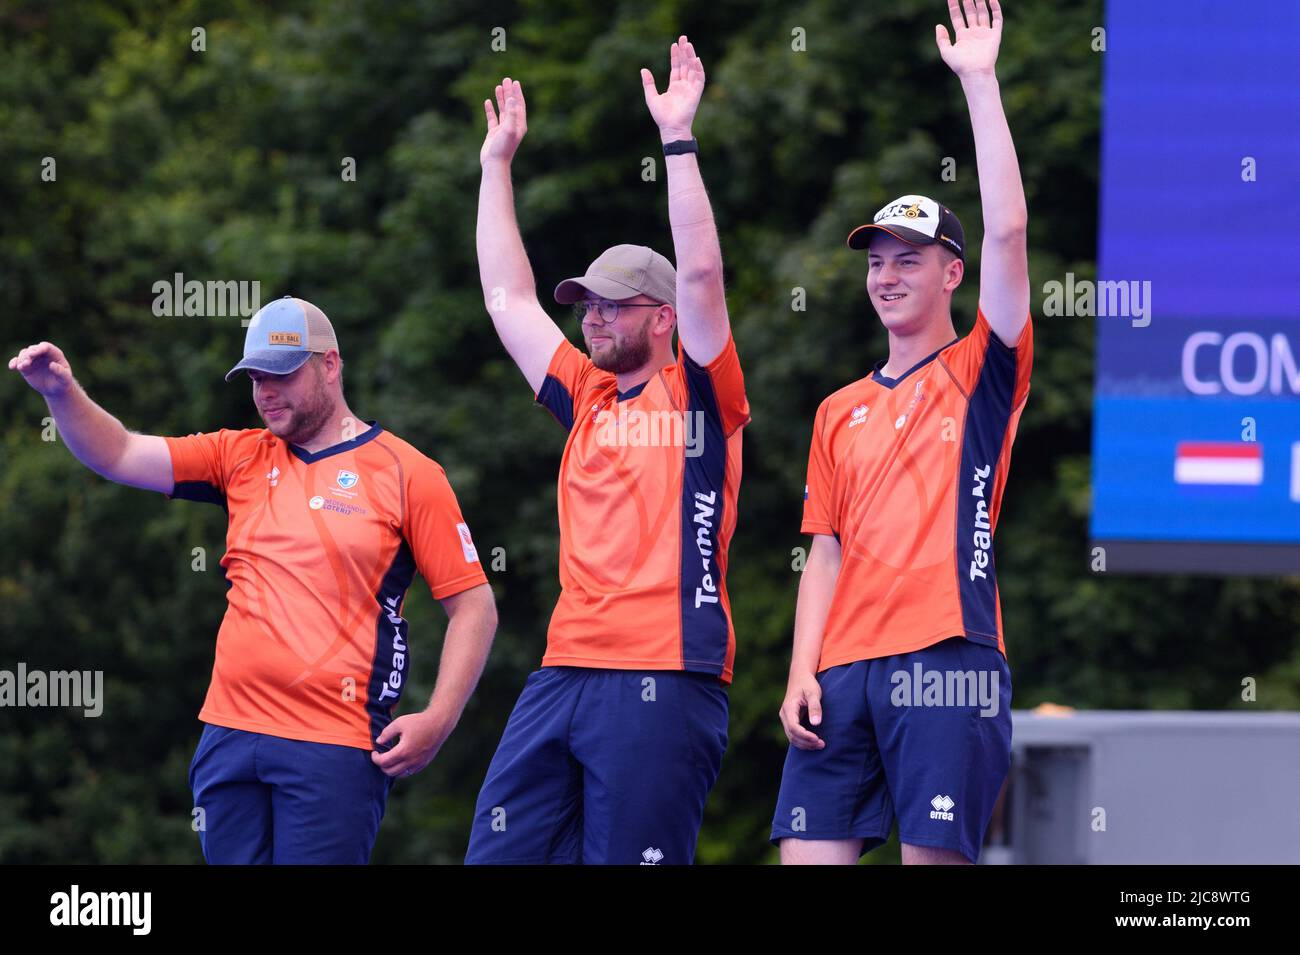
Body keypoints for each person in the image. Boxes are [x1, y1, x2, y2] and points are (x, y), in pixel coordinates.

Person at [7, 296, 498, 864]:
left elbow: (475, 607)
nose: (266, 390)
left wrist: (439, 718)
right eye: (256, 377)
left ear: (330, 365)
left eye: (282, 374)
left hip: (332, 743)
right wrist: (60, 395)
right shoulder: (237, 454)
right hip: (229, 736)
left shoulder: (409, 474)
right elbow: (117, 453)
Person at [466, 36, 749, 865]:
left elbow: (699, 277)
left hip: (665, 672)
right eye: (586, 304)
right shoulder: (585, 391)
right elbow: (506, 295)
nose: (593, 318)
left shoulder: (700, 394)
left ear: (661, 320)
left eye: (614, 306)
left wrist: (678, 140)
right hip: (564, 670)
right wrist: (496, 164)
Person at [772, 0, 1032, 865]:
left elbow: (1009, 228)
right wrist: (801, 667)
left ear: (952, 272)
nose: (886, 275)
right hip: (843, 671)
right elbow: (826, 551)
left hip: (947, 657)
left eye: (907, 258)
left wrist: (979, 83)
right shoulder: (835, 407)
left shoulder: (980, 370)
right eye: (875, 260)